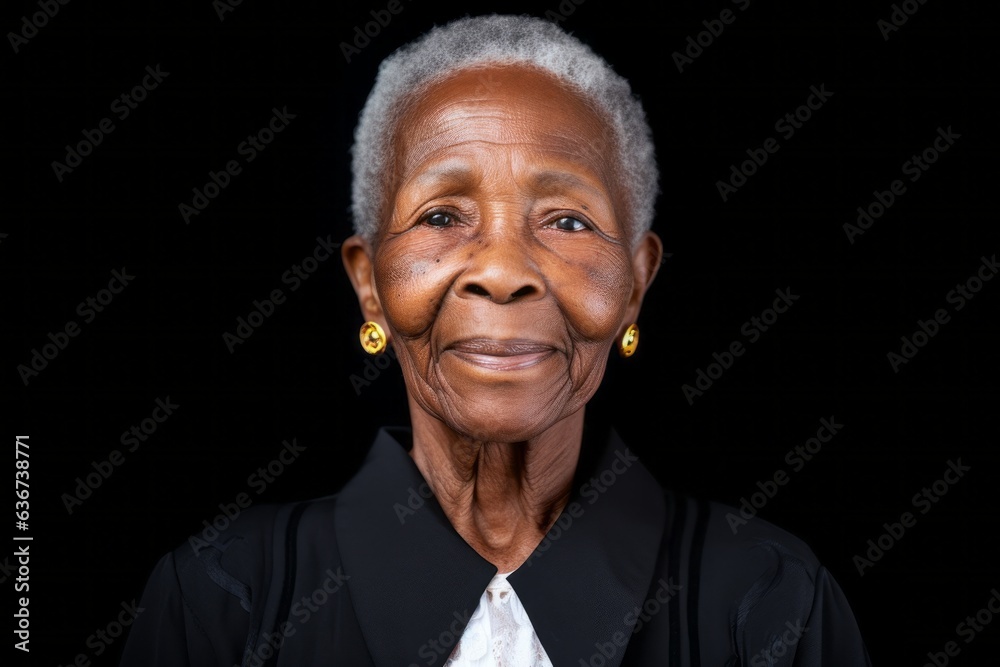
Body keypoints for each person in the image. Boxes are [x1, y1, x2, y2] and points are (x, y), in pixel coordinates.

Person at [120, 14, 871, 666]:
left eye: (567, 220)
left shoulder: (770, 602)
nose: (505, 272)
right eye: (443, 216)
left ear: (635, 285)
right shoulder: (220, 600)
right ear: (370, 282)